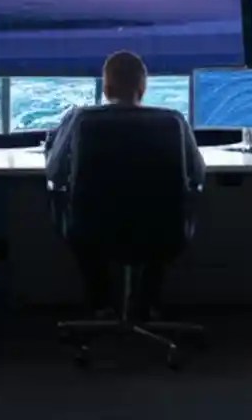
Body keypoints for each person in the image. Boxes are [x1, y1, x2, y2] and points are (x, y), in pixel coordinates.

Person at [46, 51, 205, 320]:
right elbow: (198, 176)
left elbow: (55, 173)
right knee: (159, 224)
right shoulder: (173, 121)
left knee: (86, 227)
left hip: (92, 231)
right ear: (143, 88)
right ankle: (147, 304)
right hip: (162, 233)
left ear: (106, 88)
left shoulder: (81, 120)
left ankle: (101, 307)